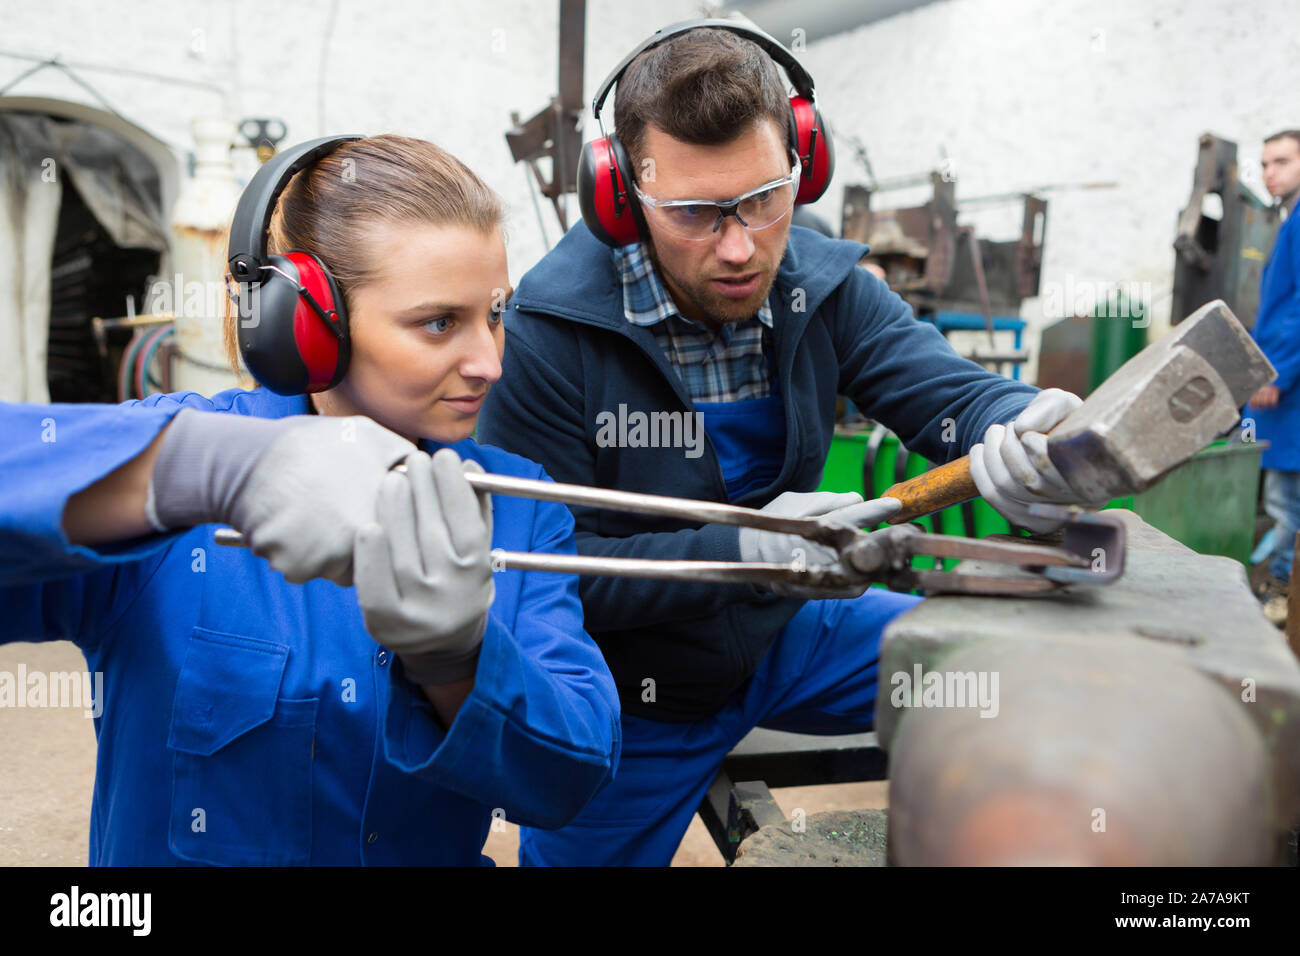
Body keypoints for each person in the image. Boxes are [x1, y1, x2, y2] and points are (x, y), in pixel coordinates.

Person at [478, 21, 1100, 866]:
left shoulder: (823, 286)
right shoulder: (547, 338)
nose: (739, 247)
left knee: (1007, 683)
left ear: (803, 163)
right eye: (696, 212)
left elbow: (951, 393)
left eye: (765, 200)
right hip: (632, 695)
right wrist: (749, 548)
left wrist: (1021, 425)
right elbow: (550, 574)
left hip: (788, 634)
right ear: (621, 195)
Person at [0, 134, 620, 865]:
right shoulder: (178, 473)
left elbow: (569, 779)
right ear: (307, 321)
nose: (490, 361)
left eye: (494, 314)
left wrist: (459, 662)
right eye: (438, 323)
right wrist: (200, 474)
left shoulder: (517, 507)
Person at [1246, 129, 1300, 627]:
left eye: (1281, 161)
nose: (1269, 173)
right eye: (1264, 164)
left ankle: (1281, 593)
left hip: (1290, 389)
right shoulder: (1289, 221)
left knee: (1286, 501)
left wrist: (1275, 372)